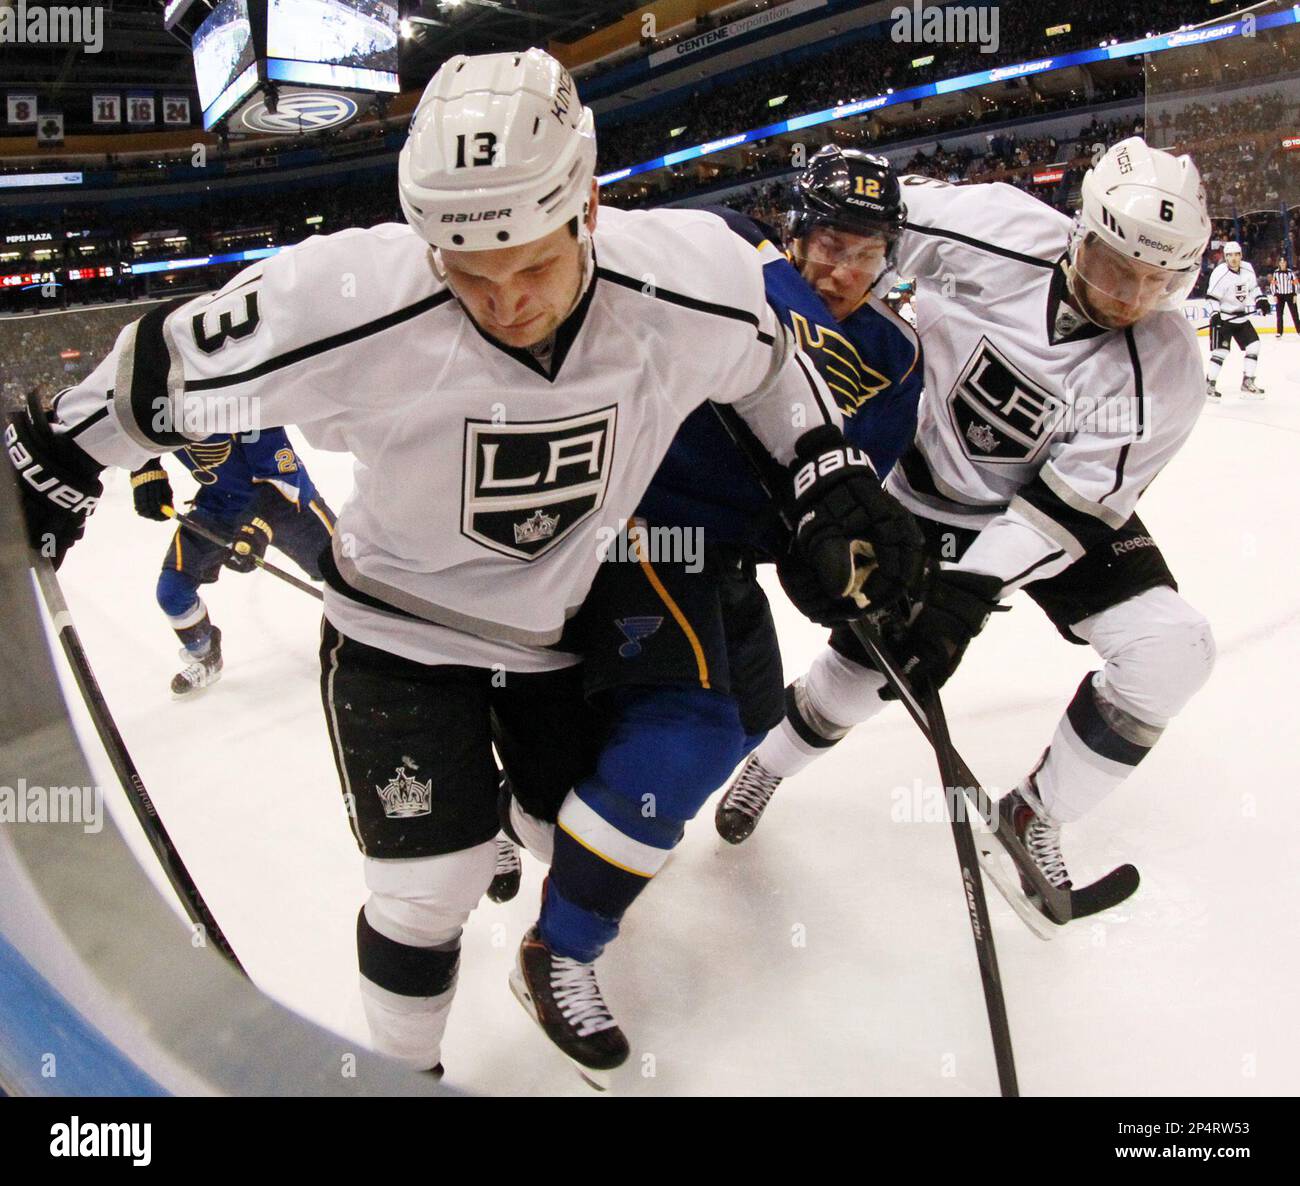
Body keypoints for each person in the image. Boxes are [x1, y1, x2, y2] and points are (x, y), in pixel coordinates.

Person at [5, 49, 921, 1079]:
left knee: (560, 835)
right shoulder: (349, 295)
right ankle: (408, 1073)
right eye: (468, 272)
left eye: (532, 267)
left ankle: (505, 844)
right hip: (394, 630)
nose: (505, 303)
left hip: (549, 633)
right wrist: (55, 456)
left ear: (588, 205)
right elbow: (161, 368)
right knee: (427, 891)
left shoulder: (685, 275)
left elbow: (768, 366)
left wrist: (826, 469)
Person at [495, 147, 924, 1075]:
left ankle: (541, 809)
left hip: (725, 555)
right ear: (795, 231)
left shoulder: (896, 357)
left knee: (753, 718)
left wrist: (833, 559)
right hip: (638, 518)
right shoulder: (726, 251)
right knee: (688, 733)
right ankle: (559, 948)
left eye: (866, 253)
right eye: (830, 244)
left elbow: (851, 488)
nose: (843, 270)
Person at [716, 137, 1217, 925]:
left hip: (1047, 513)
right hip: (919, 493)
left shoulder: (1167, 366)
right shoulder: (996, 227)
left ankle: (1036, 811)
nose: (1131, 297)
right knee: (859, 680)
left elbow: (1070, 507)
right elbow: (871, 218)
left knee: (1172, 650)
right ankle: (769, 765)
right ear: (1081, 230)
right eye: (1118, 268)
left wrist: (967, 596)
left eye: (1158, 282)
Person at [128, 428, 335, 695]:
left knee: (349, 577)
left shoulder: (244, 408)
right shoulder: (161, 406)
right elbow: (128, 425)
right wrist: (145, 470)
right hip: (219, 508)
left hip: (286, 506)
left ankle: (375, 638)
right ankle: (205, 654)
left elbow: (282, 477)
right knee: (171, 593)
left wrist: (255, 528)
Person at [1206, 241, 1270, 400]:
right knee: (1220, 352)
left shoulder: (1247, 268)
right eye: (1229, 255)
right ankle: (1209, 384)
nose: (1233, 258)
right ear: (1225, 257)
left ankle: (1248, 382)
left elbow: (1253, 288)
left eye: (1236, 255)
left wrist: (1261, 299)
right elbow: (1211, 298)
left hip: (1240, 317)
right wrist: (1215, 314)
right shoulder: (1219, 273)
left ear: (1241, 255)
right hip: (1223, 318)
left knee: (1254, 345)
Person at [1270, 254, 1297, 339]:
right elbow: (1273, 285)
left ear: (1286, 263)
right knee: (1279, 315)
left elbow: (1295, 283)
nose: (1282, 264)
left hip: (1290, 295)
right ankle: (1279, 332)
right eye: (1281, 262)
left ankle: (1299, 330)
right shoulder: (1276, 273)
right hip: (1280, 295)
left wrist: (1295, 294)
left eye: (1284, 262)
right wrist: (1274, 294)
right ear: (1279, 263)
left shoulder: (1290, 272)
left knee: (1295, 314)